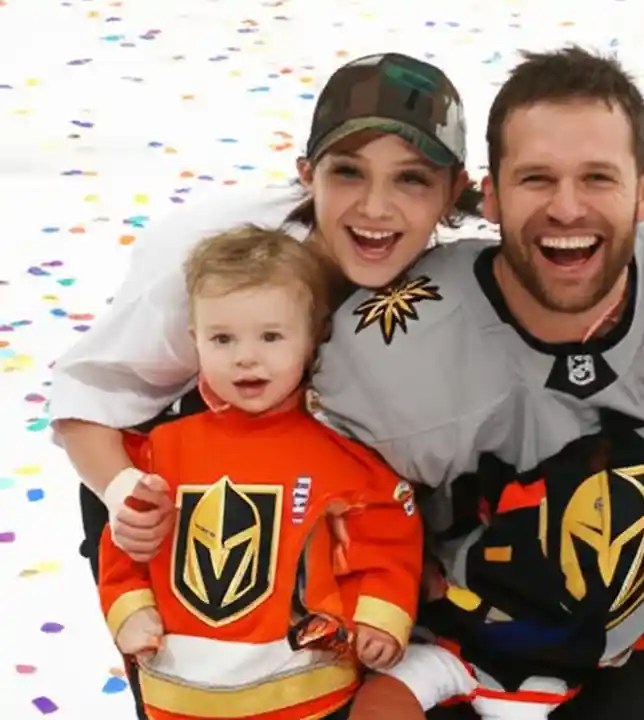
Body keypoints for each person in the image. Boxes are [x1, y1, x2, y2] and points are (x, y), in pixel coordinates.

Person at [310, 46, 644, 719]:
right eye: (535, 179)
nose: (566, 208)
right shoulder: (384, 349)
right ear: (489, 195)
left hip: (639, 640)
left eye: (597, 178)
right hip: (458, 652)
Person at [47, 51, 476, 719]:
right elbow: (88, 403)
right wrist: (132, 501)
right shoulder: (217, 257)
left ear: (455, 192)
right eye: (347, 173)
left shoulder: (470, 282)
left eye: (412, 180)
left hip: (359, 519)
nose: (375, 207)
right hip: (199, 503)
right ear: (307, 175)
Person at [97, 226, 424, 719]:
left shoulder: (341, 456)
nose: (246, 356)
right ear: (195, 341)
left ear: (312, 337)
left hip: (310, 703)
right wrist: (130, 609)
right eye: (222, 338)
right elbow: (124, 541)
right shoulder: (160, 449)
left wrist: (378, 616)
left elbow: (387, 536)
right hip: (180, 701)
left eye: (271, 336)